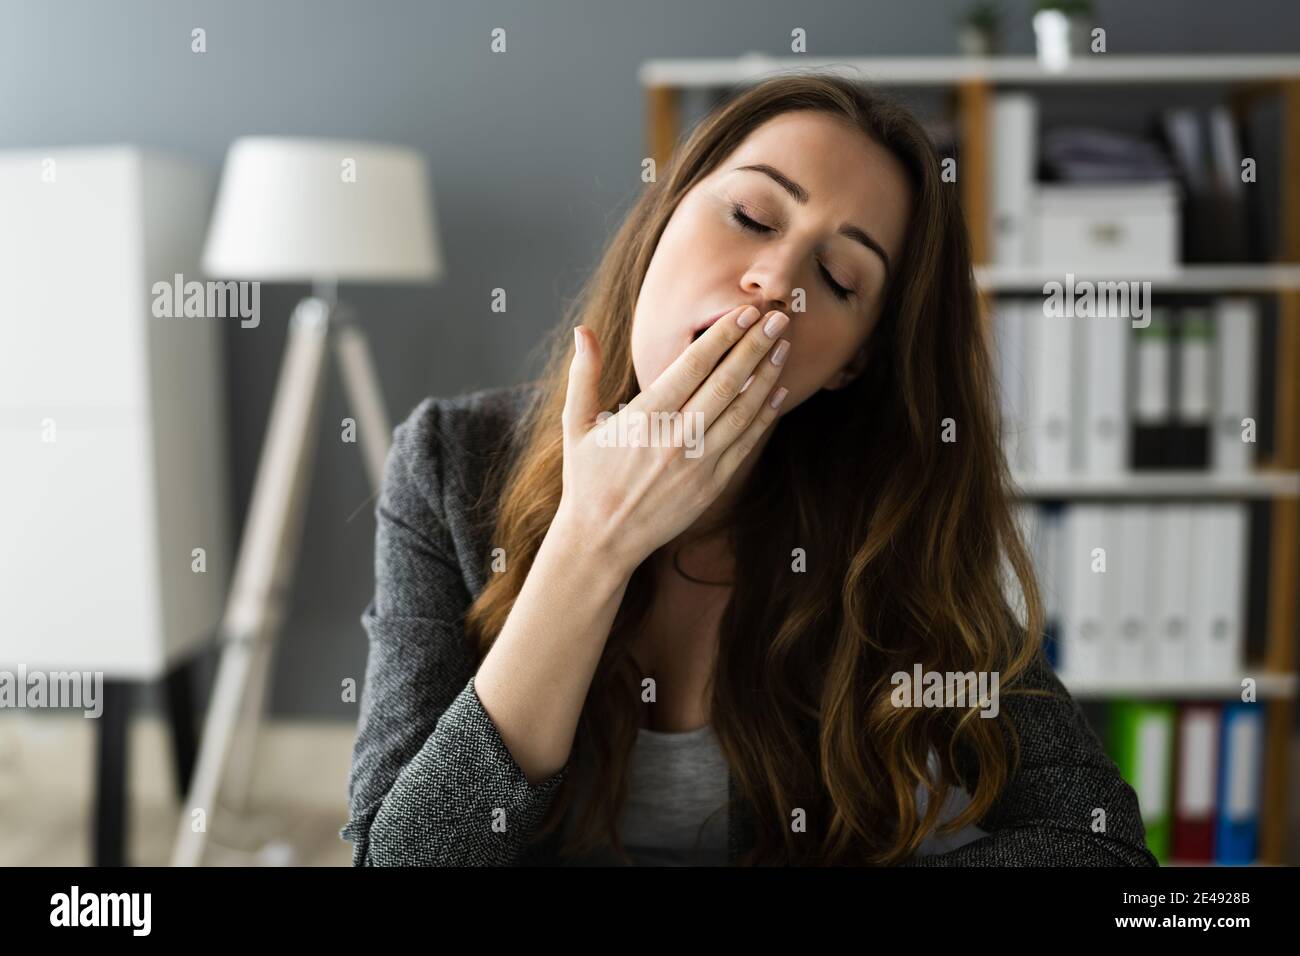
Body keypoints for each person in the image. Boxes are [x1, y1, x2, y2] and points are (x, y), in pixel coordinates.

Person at [341, 73, 1158, 867]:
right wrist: (593, 540)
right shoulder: (453, 461)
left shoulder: (886, 523)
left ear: (849, 362)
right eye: (750, 215)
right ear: (666, 214)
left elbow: (1101, 846)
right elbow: (401, 856)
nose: (777, 287)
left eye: (838, 278)